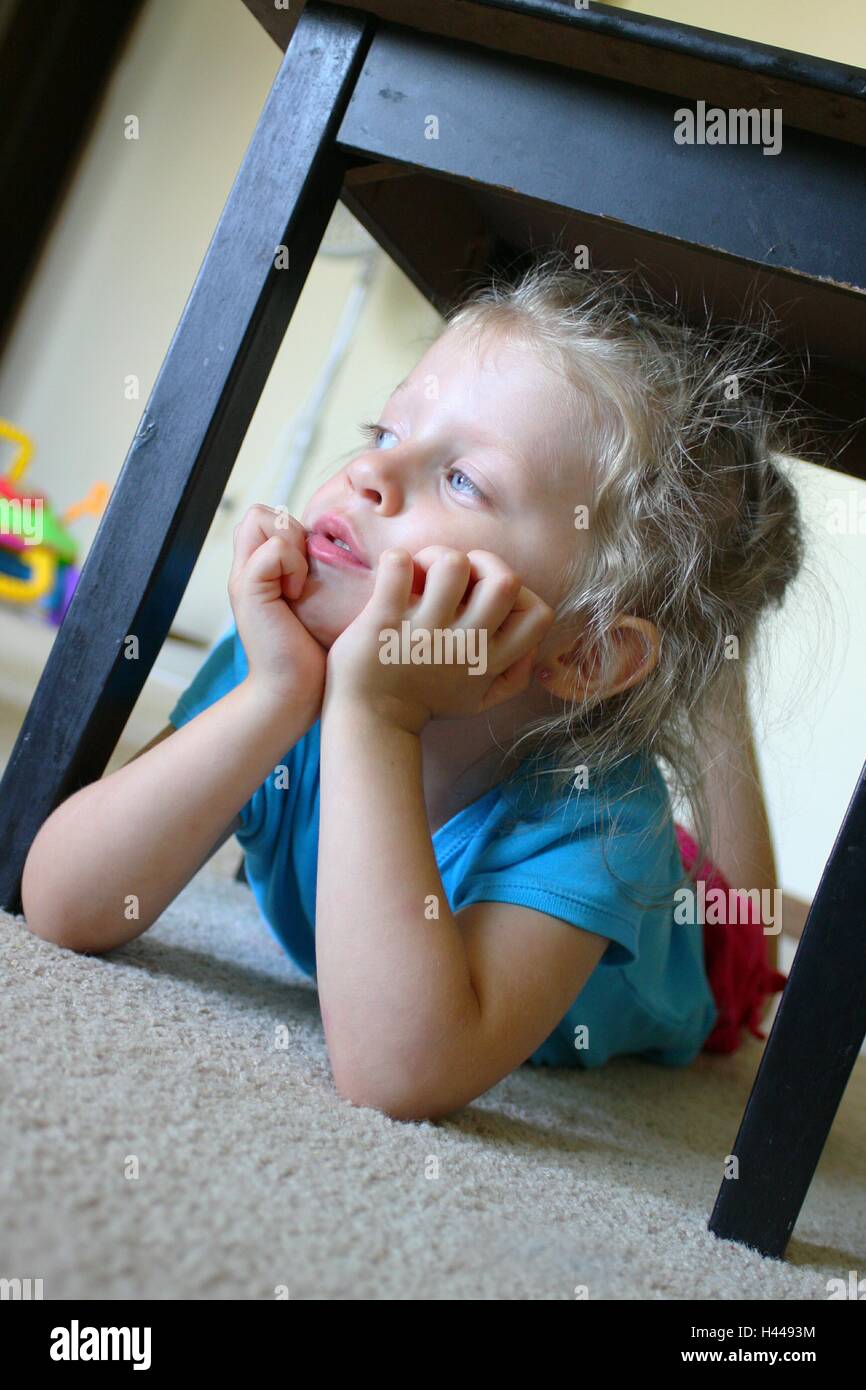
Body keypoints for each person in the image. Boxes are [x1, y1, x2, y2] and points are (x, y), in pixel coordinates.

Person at [22, 253, 808, 1120]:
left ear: (584, 653)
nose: (367, 475)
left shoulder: (605, 817)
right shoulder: (285, 665)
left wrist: (379, 714)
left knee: (744, 927)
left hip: (689, 927)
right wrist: (275, 699)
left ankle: (714, 675)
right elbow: (60, 901)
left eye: (462, 479)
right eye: (384, 434)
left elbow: (400, 1072)